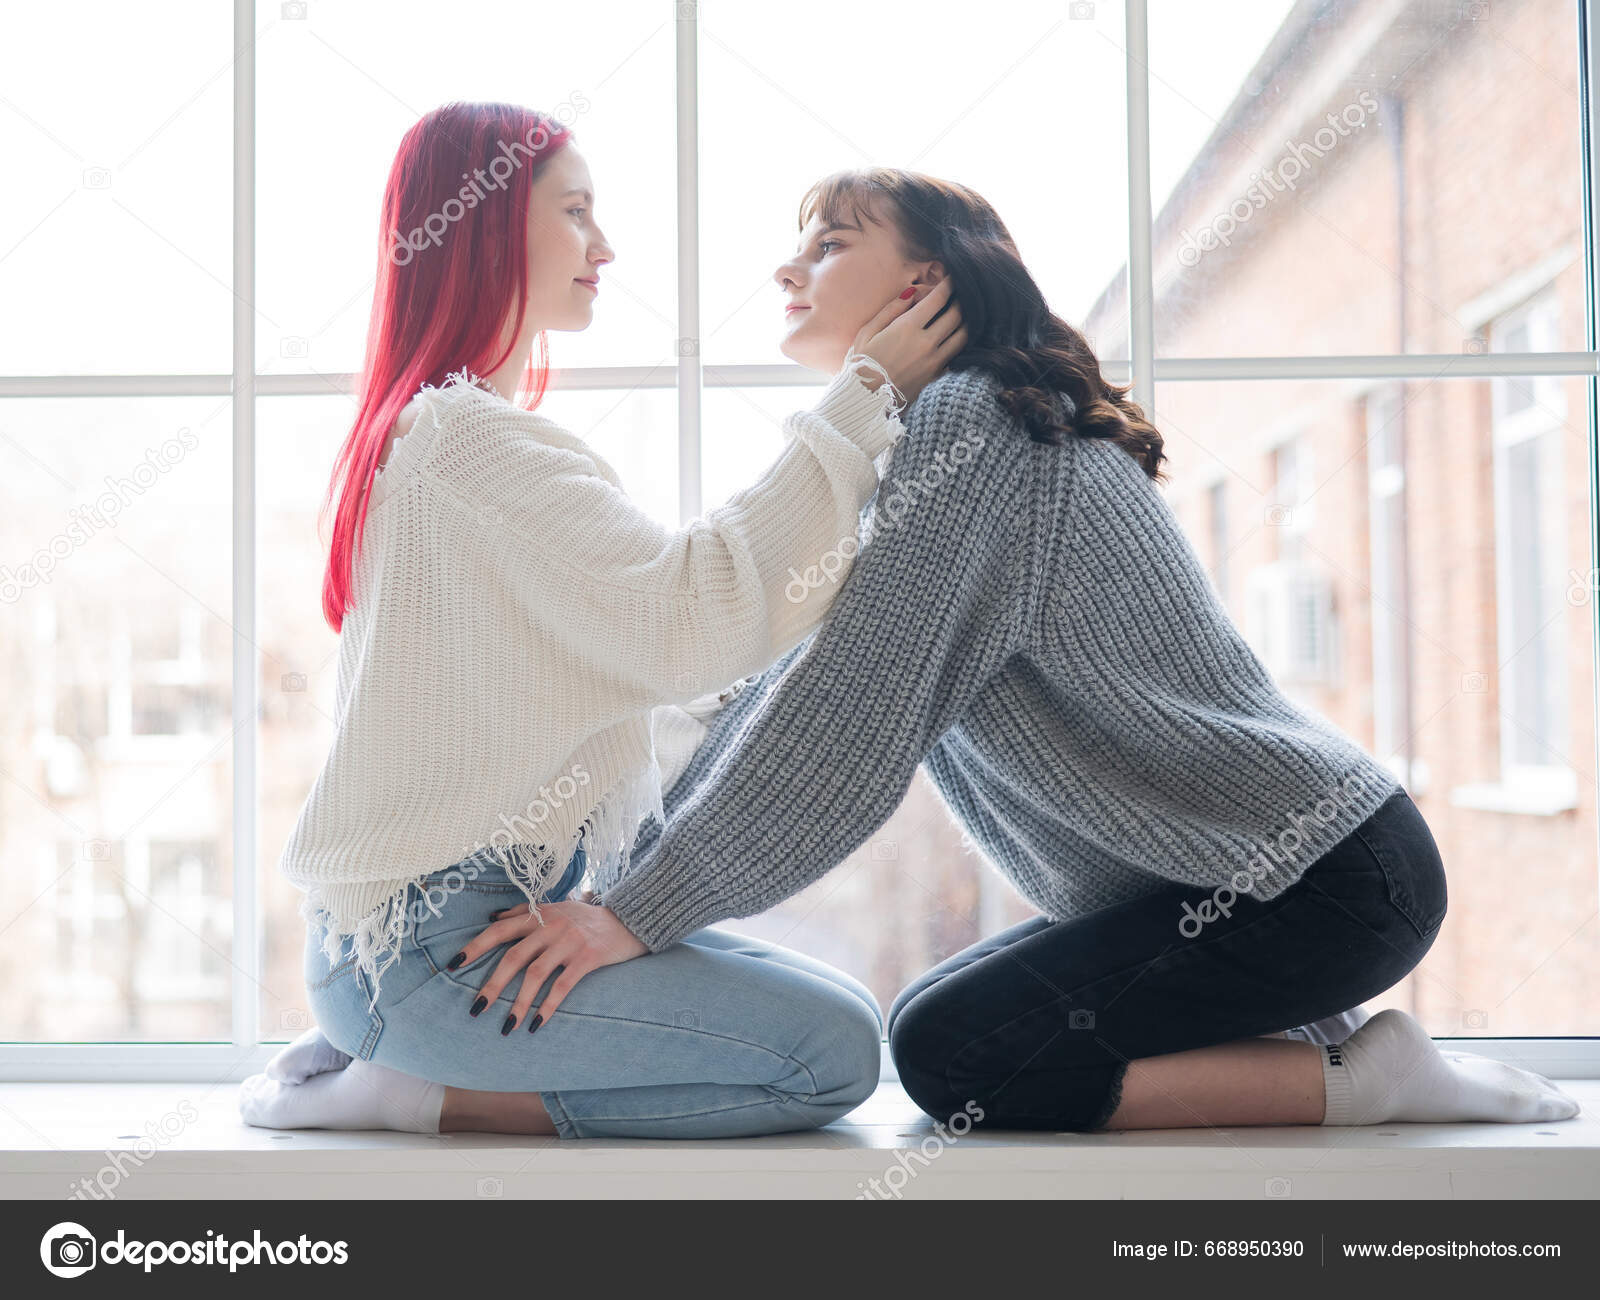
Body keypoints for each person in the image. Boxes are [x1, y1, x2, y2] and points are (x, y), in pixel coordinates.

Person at [497, 165, 1580, 1134]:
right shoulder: (949, 440)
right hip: (1282, 876)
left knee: (956, 1053)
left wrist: (637, 910)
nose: (788, 265)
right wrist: (609, 869)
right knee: (928, 1017)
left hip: (1326, 879)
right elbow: (782, 689)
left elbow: (847, 717)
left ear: (925, 286)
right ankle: (1334, 1064)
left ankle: (1368, 1082)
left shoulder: (976, 430)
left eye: (828, 242)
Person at [238, 105, 966, 1140]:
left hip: (469, 928)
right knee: (827, 1057)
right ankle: (415, 1089)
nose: (604, 245)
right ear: (484, 228)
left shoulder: (455, 437)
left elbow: (659, 658)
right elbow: (695, 607)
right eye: (575, 211)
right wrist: (862, 399)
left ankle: (398, 1062)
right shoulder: (463, 443)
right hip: (429, 955)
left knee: (845, 1022)